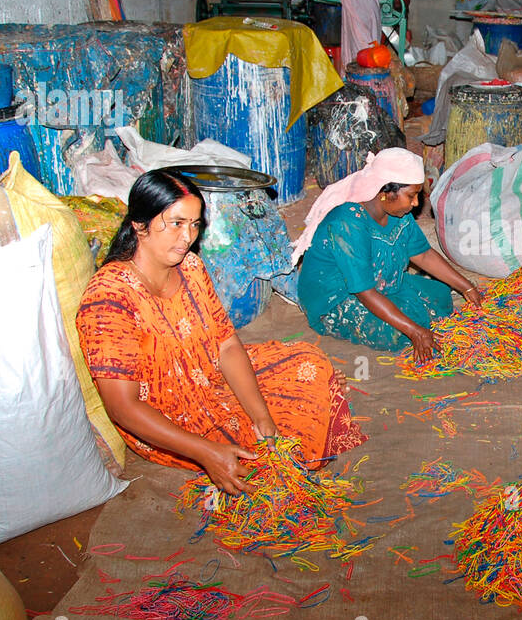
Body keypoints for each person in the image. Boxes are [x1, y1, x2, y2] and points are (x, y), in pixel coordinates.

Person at [76, 169, 364, 496]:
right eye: (176, 224)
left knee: (307, 359)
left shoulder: (191, 268)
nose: (187, 237)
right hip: (171, 417)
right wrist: (206, 452)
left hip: (208, 376)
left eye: (195, 225)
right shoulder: (109, 297)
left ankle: (285, 409)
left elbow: (226, 345)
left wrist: (261, 416)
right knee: (276, 460)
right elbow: (122, 407)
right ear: (139, 225)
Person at [294, 148, 482, 363]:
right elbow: (364, 291)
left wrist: (467, 287)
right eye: (411, 196)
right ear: (385, 192)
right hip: (339, 297)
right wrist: (415, 332)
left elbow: (422, 255)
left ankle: (409, 317)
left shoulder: (397, 214)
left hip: (378, 284)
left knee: (439, 294)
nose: (415, 204)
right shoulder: (348, 222)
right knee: (400, 332)